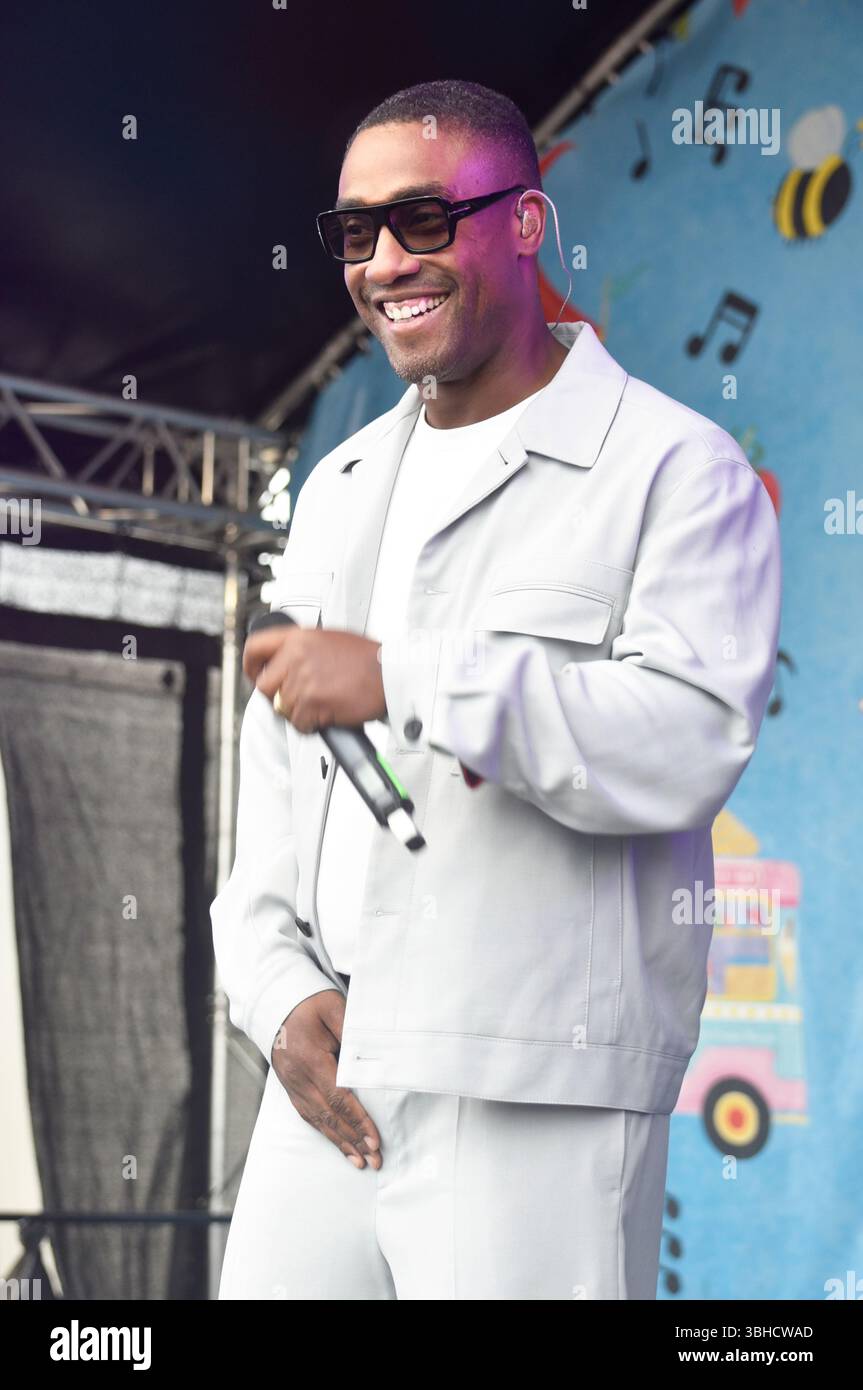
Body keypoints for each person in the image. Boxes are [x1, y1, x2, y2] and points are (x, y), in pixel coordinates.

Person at [211, 79, 781, 1300]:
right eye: (354, 233)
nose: (379, 263)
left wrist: (409, 680)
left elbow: (689, 738)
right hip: (327, 1083)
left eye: (420, 219)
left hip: (537, 1092)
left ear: (525, 222)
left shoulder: (675, 468)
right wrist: (277, 995)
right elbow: (275, 797)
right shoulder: (342, 484)